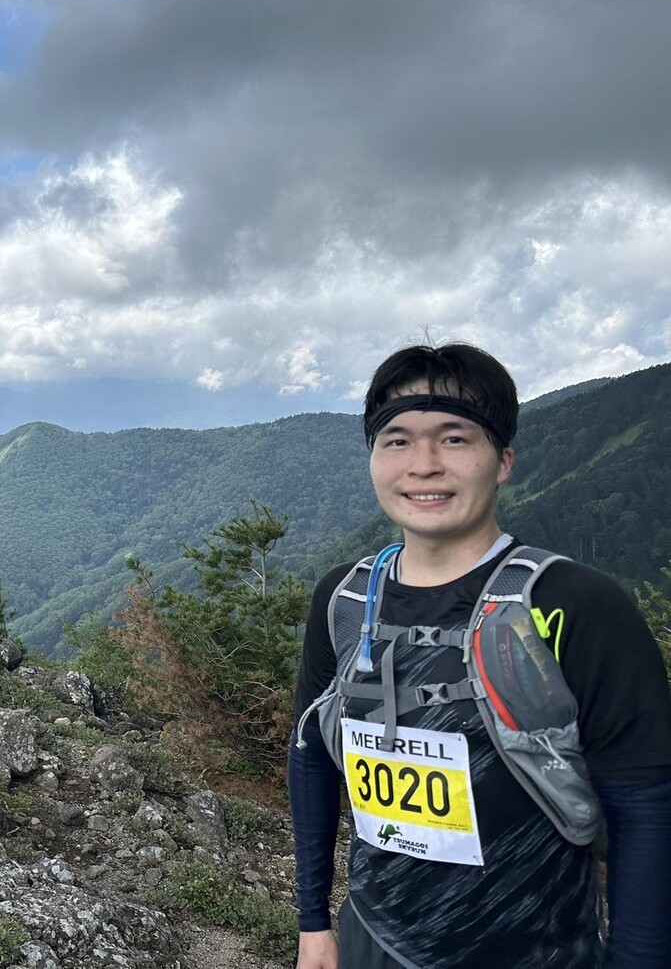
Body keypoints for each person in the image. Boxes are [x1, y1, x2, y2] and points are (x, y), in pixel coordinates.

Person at [288, 343, 671, 968]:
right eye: (398, 440)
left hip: (536, 952)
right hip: (373, 940)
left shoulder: (573, 603)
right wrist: (313, 924)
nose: (425, 465)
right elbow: (310, 757)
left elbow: (646, 807)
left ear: (504, 461)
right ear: (373, 459)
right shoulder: (347, 598)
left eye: (456, 439)